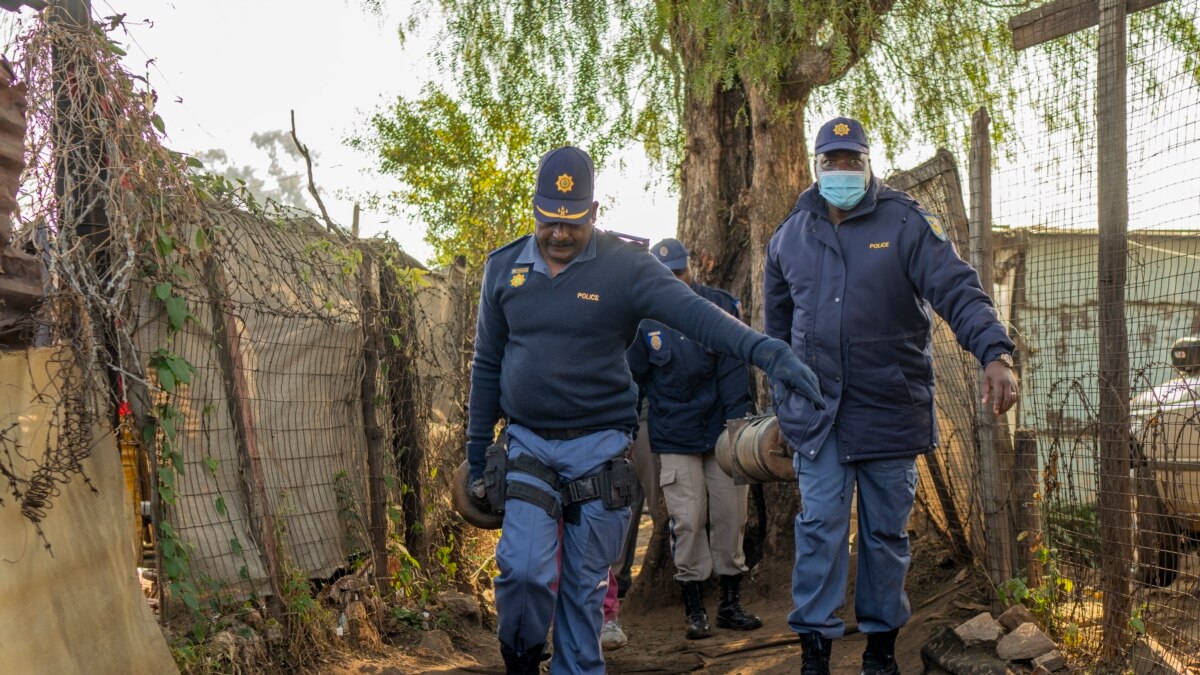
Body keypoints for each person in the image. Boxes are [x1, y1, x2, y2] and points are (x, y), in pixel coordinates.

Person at [466, 144, 825, 675]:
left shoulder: (625, 268)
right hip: (528, 444)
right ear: (536, 210)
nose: (560, 234)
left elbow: (699, 316)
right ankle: (520, 659)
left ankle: (576, 666)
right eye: (549, 221)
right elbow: (487, 364)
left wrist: (769, 352)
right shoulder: (503, 270)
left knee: (585, 588)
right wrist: (476, 453)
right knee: (523, 572)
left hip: (598, 449)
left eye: (573, 222)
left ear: (592, 211)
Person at [763, 117, 1019, 675]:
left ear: (868, 163)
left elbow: (957, 289)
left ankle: (881, 652)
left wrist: (993, 353)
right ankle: (815, 654)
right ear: (817, 165)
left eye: (852, 160)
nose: (842, 170)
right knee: (821, 529)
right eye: (832, 160)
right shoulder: (790, 236)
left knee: (884, 533)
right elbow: (775, 337)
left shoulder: (905, 223)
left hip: (888, 408)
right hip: (819, 416)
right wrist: (782, 406)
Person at [625, 238, 762, 640]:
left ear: (692, 269)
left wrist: (738, 429)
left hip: (722, 434)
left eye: (680, 272)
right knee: (687, 522)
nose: (675, 280)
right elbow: (633, 380)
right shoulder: (643, 321)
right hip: (674, 435)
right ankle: (694, 609)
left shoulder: (718, 305)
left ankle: (730, 605)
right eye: (667, 275)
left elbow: (735, 370)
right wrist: (626, 427)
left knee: (730, 517)